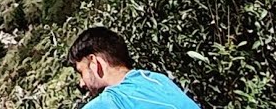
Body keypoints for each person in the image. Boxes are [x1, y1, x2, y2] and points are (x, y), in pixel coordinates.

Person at [67, 27, 200, 109]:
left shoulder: (112, 101)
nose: (82, 83)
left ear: (95, 63)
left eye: (81, 72)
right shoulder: (158, 80)